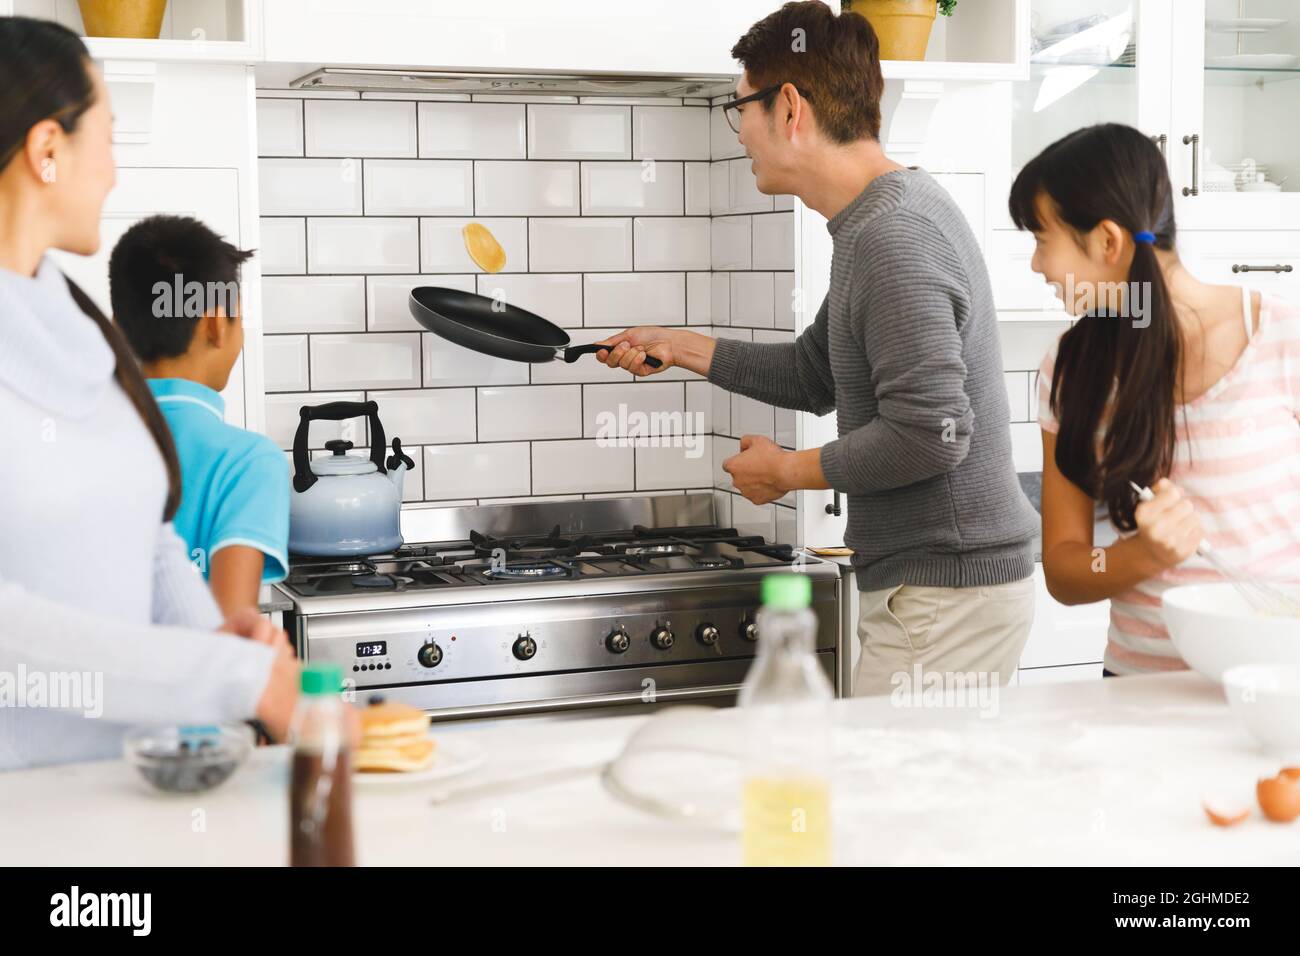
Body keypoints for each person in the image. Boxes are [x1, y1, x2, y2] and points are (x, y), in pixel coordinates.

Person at [596, 2, 1039, 695]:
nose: (739, 128)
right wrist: (681, 347)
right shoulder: (874, 222)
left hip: (947, 588)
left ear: (790, 108)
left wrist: (788, 472)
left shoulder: (894, 236)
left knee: (888, 801)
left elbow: (929, 435)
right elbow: (815, 373)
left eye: (741, 106)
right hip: (937, 585)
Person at [0, 16, 299, 770]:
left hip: (122, 797)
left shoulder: (73, 320)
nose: (113, 171)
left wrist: (217, 651)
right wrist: (232, 675)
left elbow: (151, 539)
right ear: (46, 150)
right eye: (107, 137)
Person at [1011, 123, 1300, 675]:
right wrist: (1140, 556)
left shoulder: (1284, 337)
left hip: (1276, 686)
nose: (1036, 265)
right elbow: (1067, 569)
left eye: (1042, 239)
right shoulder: (1069, 370)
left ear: (1107, 241)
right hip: (1136, 694)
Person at [110, 215, 290, 618]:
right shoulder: (249, 463)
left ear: (117, 326)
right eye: (237, 318)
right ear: (214, 325)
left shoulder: (78, 439)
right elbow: (228, 642)